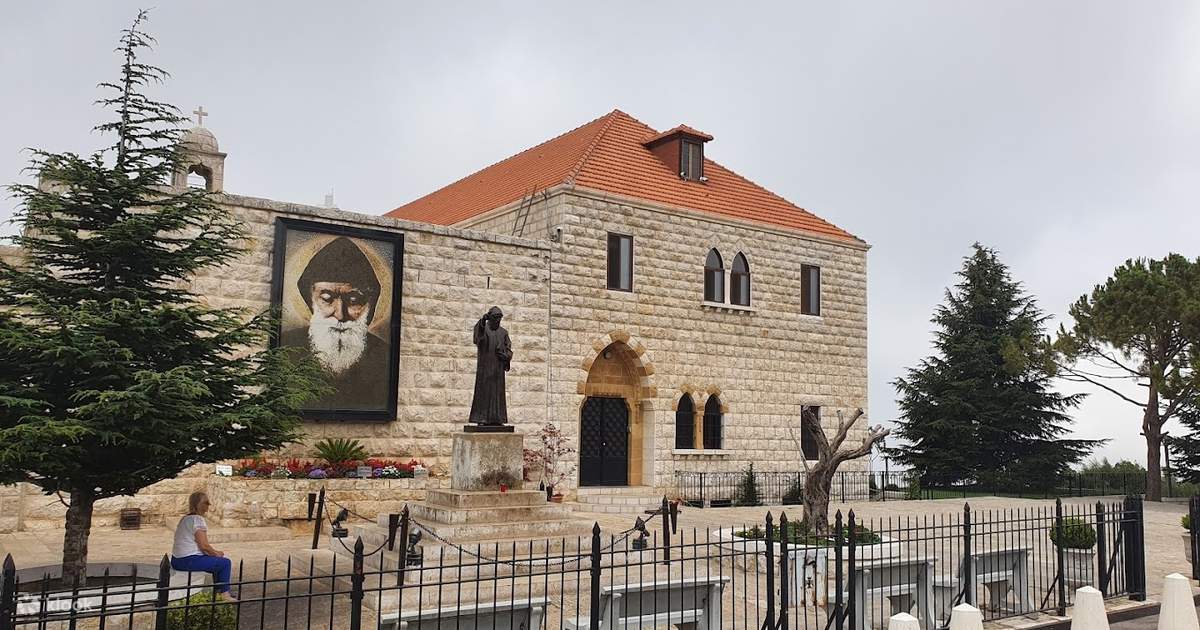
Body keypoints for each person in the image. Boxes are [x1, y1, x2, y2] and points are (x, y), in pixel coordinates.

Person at [281, 236, 390, 409]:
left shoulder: (384, 356)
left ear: (370, 306)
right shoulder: (285, 349)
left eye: (353, 300)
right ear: (311, 301)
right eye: (326, 299)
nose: (340, 314)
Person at [171, 491, 235, 600]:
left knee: (216, 562)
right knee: (225, 563)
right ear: (197, 504)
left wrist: (213, 553)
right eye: (205, 502)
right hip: (188, 560)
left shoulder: (185, 519)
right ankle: (224, 594)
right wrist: (216, 553)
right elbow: (204, 546)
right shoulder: (198, 520)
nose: (208, 505)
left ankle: (219, 592)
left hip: (177, 560)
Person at [468, 306, 513, 425]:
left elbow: (509, 348)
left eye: (499, 319)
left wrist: (506, 356)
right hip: (485, 368)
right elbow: (478, 337)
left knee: (498, 394)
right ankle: (481, 418)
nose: (497, 321)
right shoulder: (484, 328)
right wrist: (482, 321)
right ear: (490, 318)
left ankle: (498, 419)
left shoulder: (503, 332)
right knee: (484, 393)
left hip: (498, 370)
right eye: (495, 318)